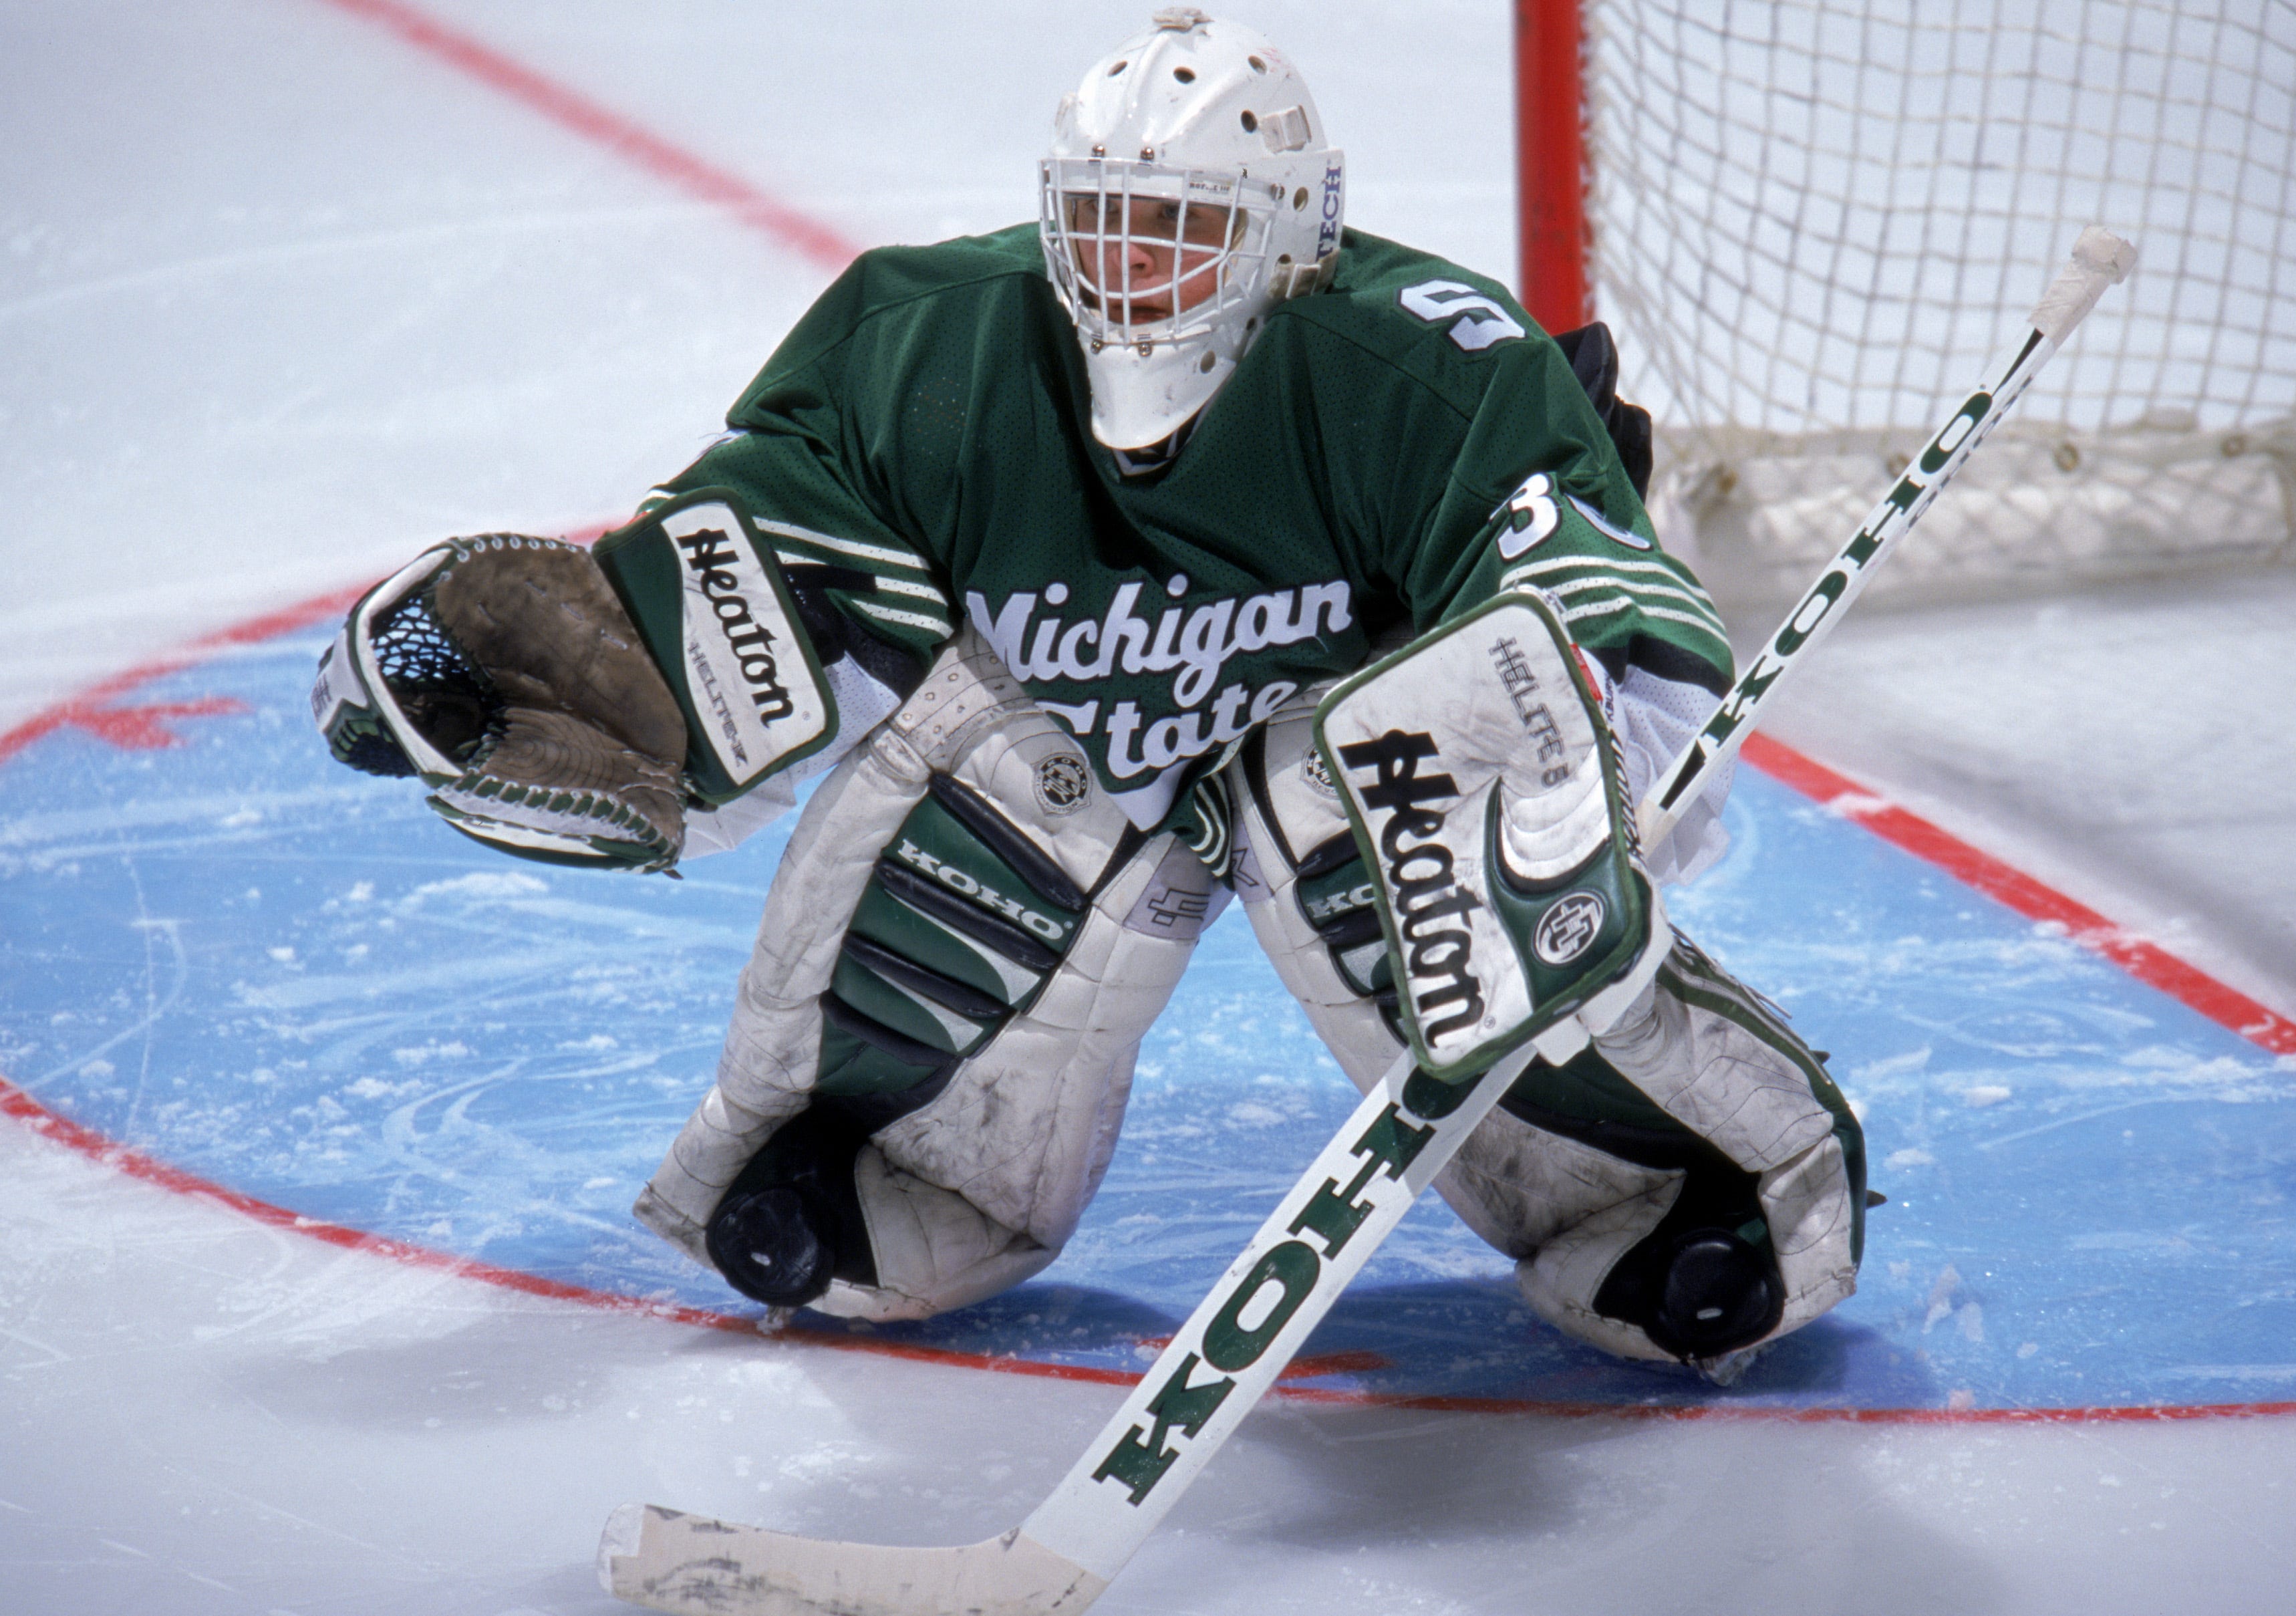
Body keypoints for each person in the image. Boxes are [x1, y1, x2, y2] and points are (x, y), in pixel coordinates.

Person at [312, 8, 1864, 1379]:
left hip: (1346, 788)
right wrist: (617, 676)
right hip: (1087, 785)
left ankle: (1694, 1187)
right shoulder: (927, 349)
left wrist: (1580, 810)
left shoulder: (1427, 367)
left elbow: (1615, 636)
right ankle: (887, 1164)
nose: (1129, 276)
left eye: (1178, 231)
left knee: (1381, 805)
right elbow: (770, 634)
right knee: (1011, 773)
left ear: (1290, 239)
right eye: (1101, 224)